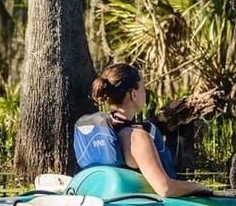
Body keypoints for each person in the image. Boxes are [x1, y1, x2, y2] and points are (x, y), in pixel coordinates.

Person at [74, 63, 210, 197]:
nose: (145, 92)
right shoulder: (136, 138)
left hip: (100, 199)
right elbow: (165, 189)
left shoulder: (101, 129)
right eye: (143, 88)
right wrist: (199, 187)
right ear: (133, 94)